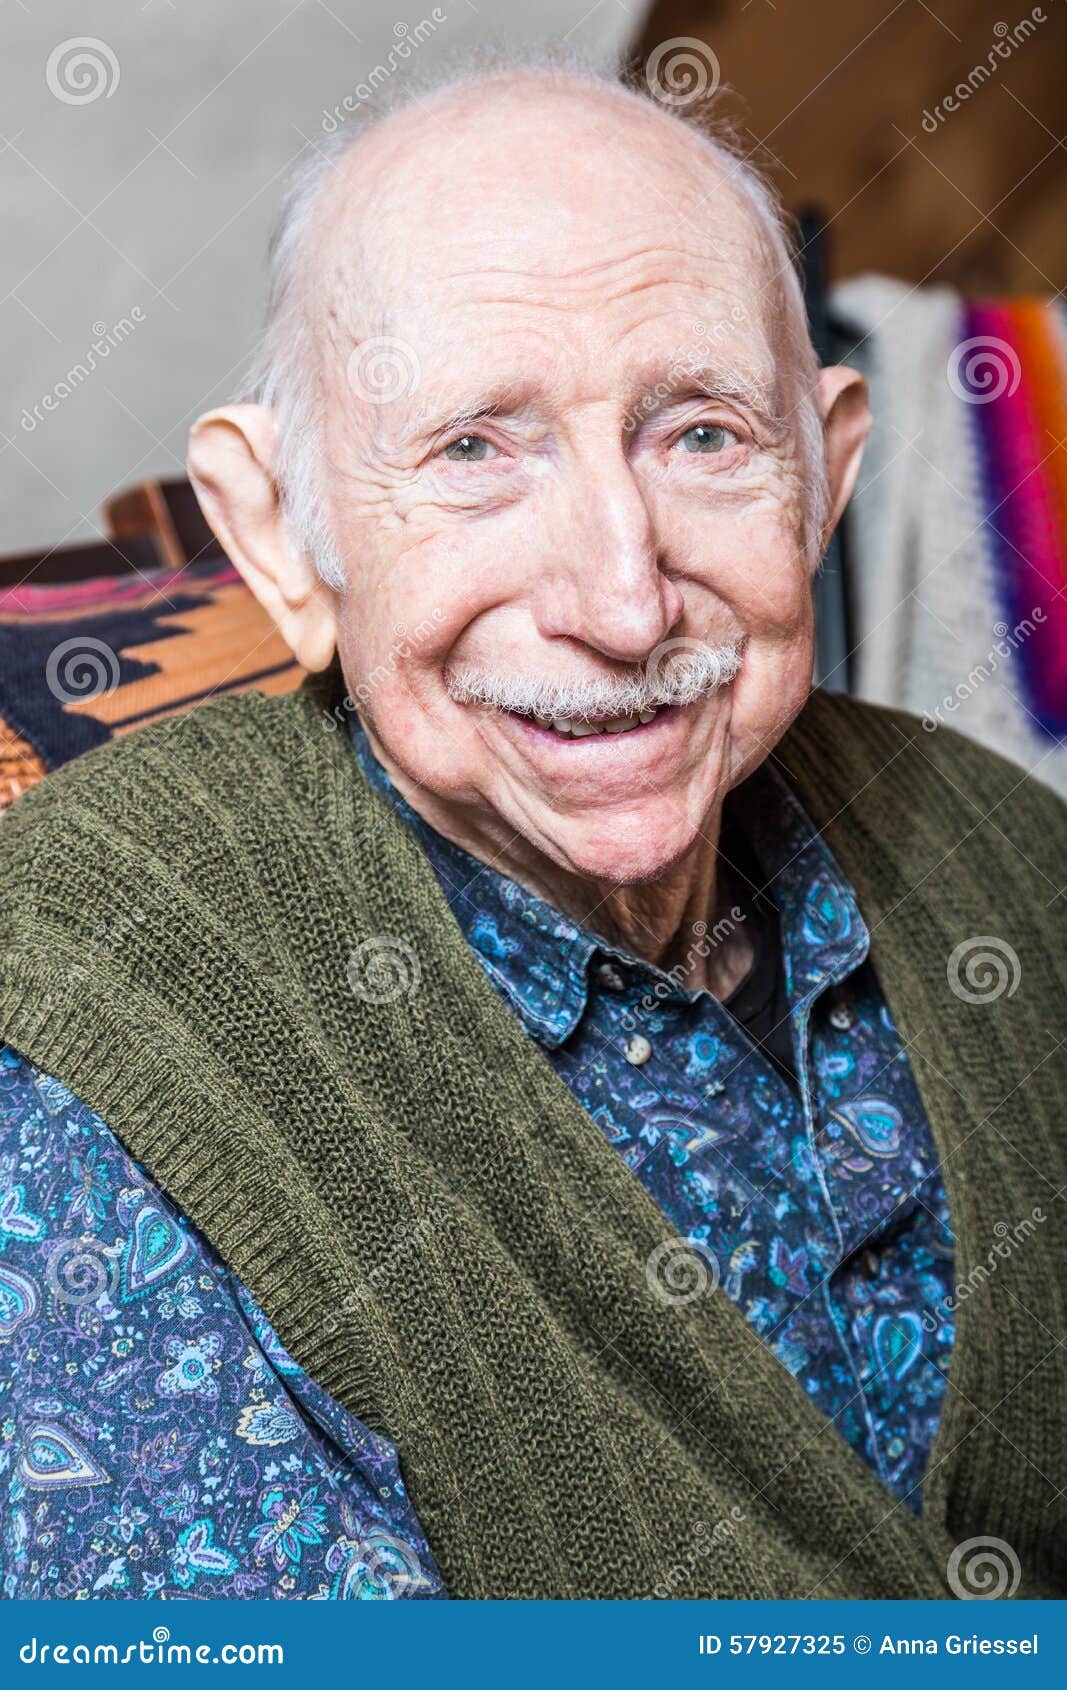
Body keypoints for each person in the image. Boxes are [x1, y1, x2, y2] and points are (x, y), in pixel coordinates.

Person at [1, 55, 1064, 1602]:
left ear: (824, 475)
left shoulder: (1003, 853)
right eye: (475, 452)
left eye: (700, 434)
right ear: (280, 532)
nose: (623, 601)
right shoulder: (100, 1011)